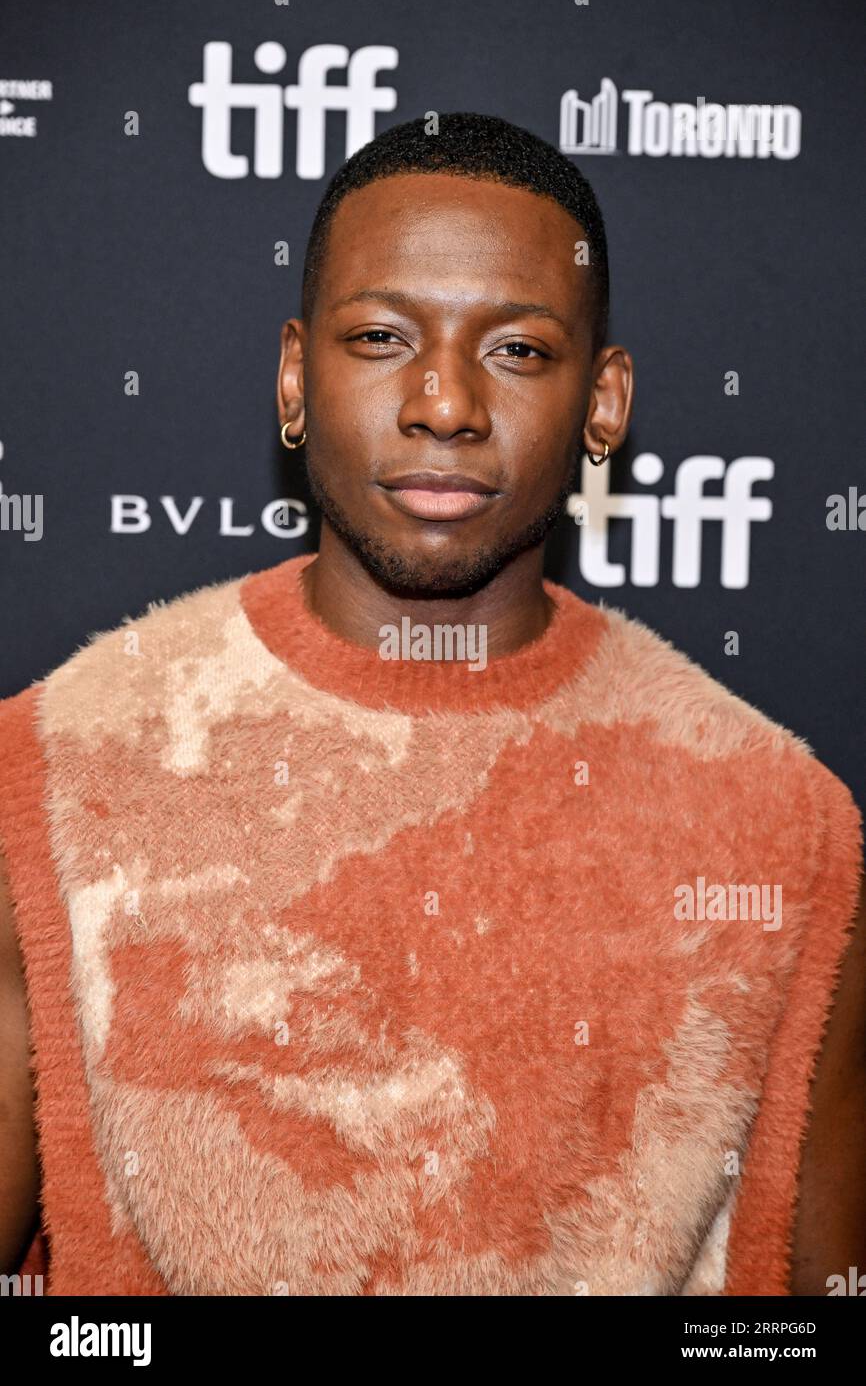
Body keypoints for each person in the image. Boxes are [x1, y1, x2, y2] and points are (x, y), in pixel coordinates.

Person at [0, 112, 863, 1297]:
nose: (443, 404)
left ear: (603, 403)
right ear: (295, 376)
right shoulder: (52, 771)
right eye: (380, 337)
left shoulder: (782, 828)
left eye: (513, 349)